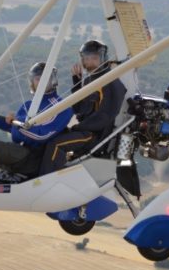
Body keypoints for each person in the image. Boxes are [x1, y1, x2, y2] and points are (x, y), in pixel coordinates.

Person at [0, 62, 72, 181]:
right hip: (21, 151)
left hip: (35, 158)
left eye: (45, 79)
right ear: (32, 82)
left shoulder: (60, 106)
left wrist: (18, 124)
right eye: (38, 79)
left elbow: (41, 135)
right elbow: (11, 126)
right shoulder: (29, 105)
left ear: (53, 81)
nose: (41, 82)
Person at [39, 40, 126, 176]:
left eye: (94, 58)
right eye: (86, 58)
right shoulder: (88, 80)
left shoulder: (111, 82)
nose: (90, 62)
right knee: (48, 136)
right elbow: (78, 109)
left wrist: (77, 128)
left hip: (94, 136)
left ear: (103, 58)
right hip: (84, 131)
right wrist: (77, 83)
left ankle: (44, 180)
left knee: (56, 144)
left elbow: (104, 117)